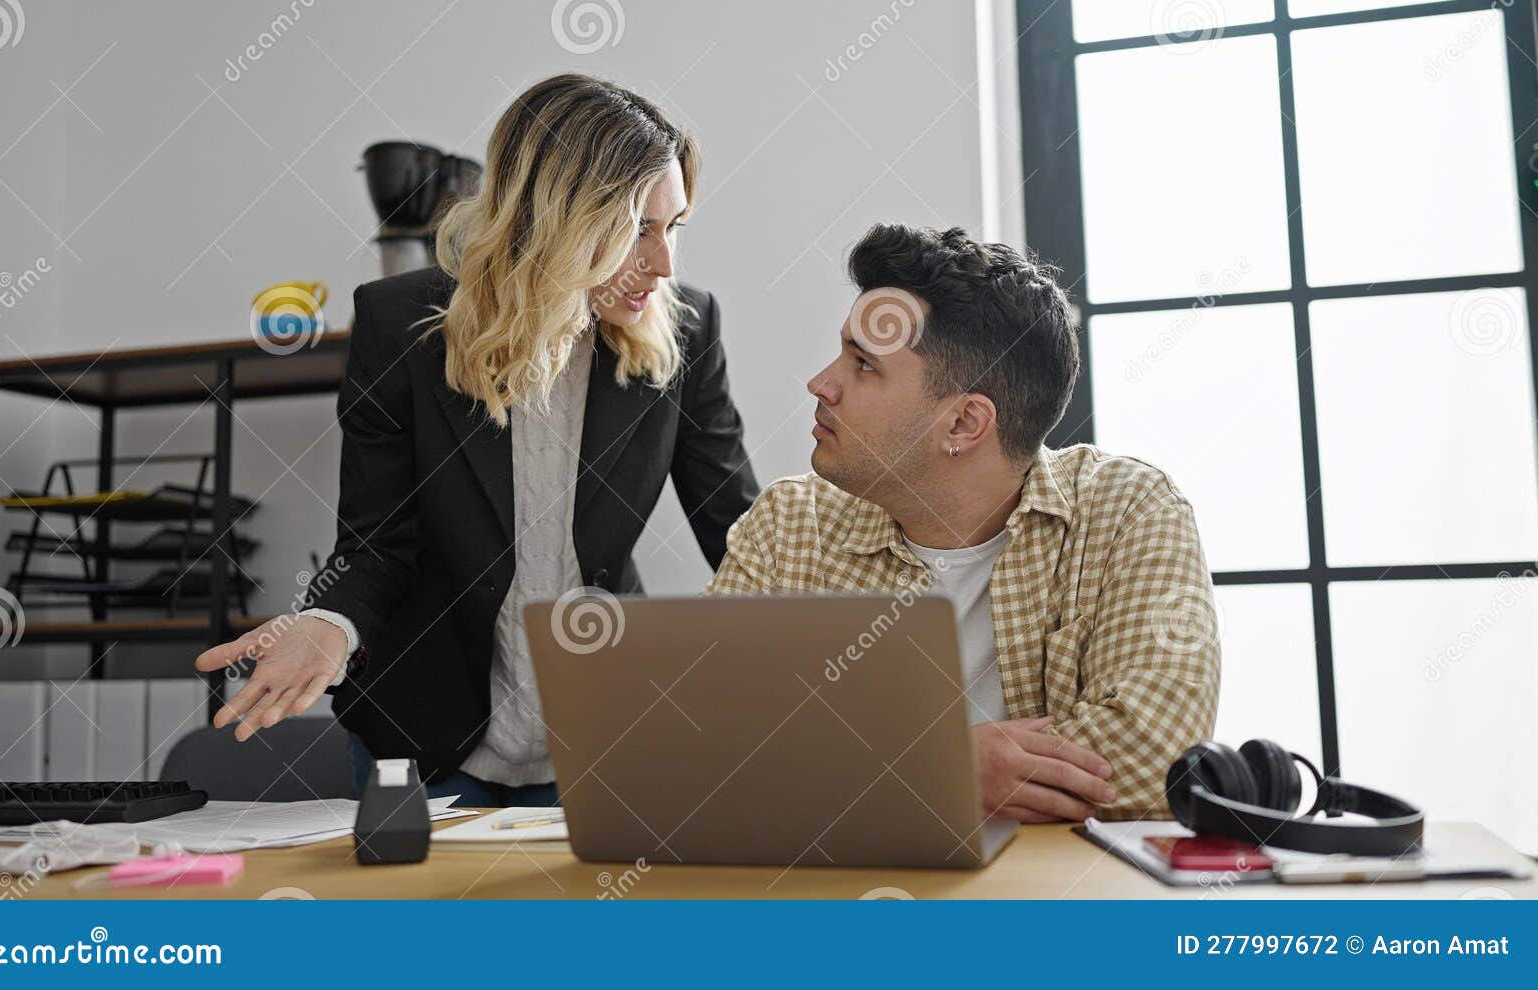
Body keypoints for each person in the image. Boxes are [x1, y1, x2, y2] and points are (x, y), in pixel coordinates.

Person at [196, 74, 759, 807]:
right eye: (637, 230)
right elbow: (376, 544)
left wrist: (850, 655)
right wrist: (328, 622)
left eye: (674, 226)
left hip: (599, 737)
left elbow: (740, 534)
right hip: (426, 737)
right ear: (557, 217)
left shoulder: (686, 328)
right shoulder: (400, 325)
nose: (665, 264)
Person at [705, 223, 1219, 822]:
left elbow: (1151, 758)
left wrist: (831, 771)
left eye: (863, 365)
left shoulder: (1129, 511)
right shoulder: (788, 524)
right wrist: (936, 768)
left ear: (964, 425)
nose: (821, 384)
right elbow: (702, 745)